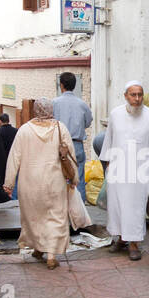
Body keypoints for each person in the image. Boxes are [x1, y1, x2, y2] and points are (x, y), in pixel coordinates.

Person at [2, 98, 75, 270]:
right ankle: (49, 255)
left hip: (29, 183)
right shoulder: (60, 128)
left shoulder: (24, 130)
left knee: (34, 218)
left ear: (35, 111)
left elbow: (14, 157)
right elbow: (71, 156)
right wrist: (74, 179)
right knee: (55, 217)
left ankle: (39, 249)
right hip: (54, 182)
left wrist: (9, 183)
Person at [99, 80, 149, 261]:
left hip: (140, 169)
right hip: (118, 167)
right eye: (133, 95)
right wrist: (107, 163)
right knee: (117, 205)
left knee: (135, 207)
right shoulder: (115, 114)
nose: (137, 99)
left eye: (140, 95)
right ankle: (120, 239)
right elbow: (109, 139)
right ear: (125, 96)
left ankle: (134, 243)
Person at [53, 71, 93, 203]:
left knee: (59, 176)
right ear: (74, 86)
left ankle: (61, 207)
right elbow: (88, 122)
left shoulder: (54, 103)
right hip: (77, 144)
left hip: (59, 145)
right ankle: (80, 213)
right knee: (78, 178)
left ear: (61, 85)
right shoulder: (82, 104)